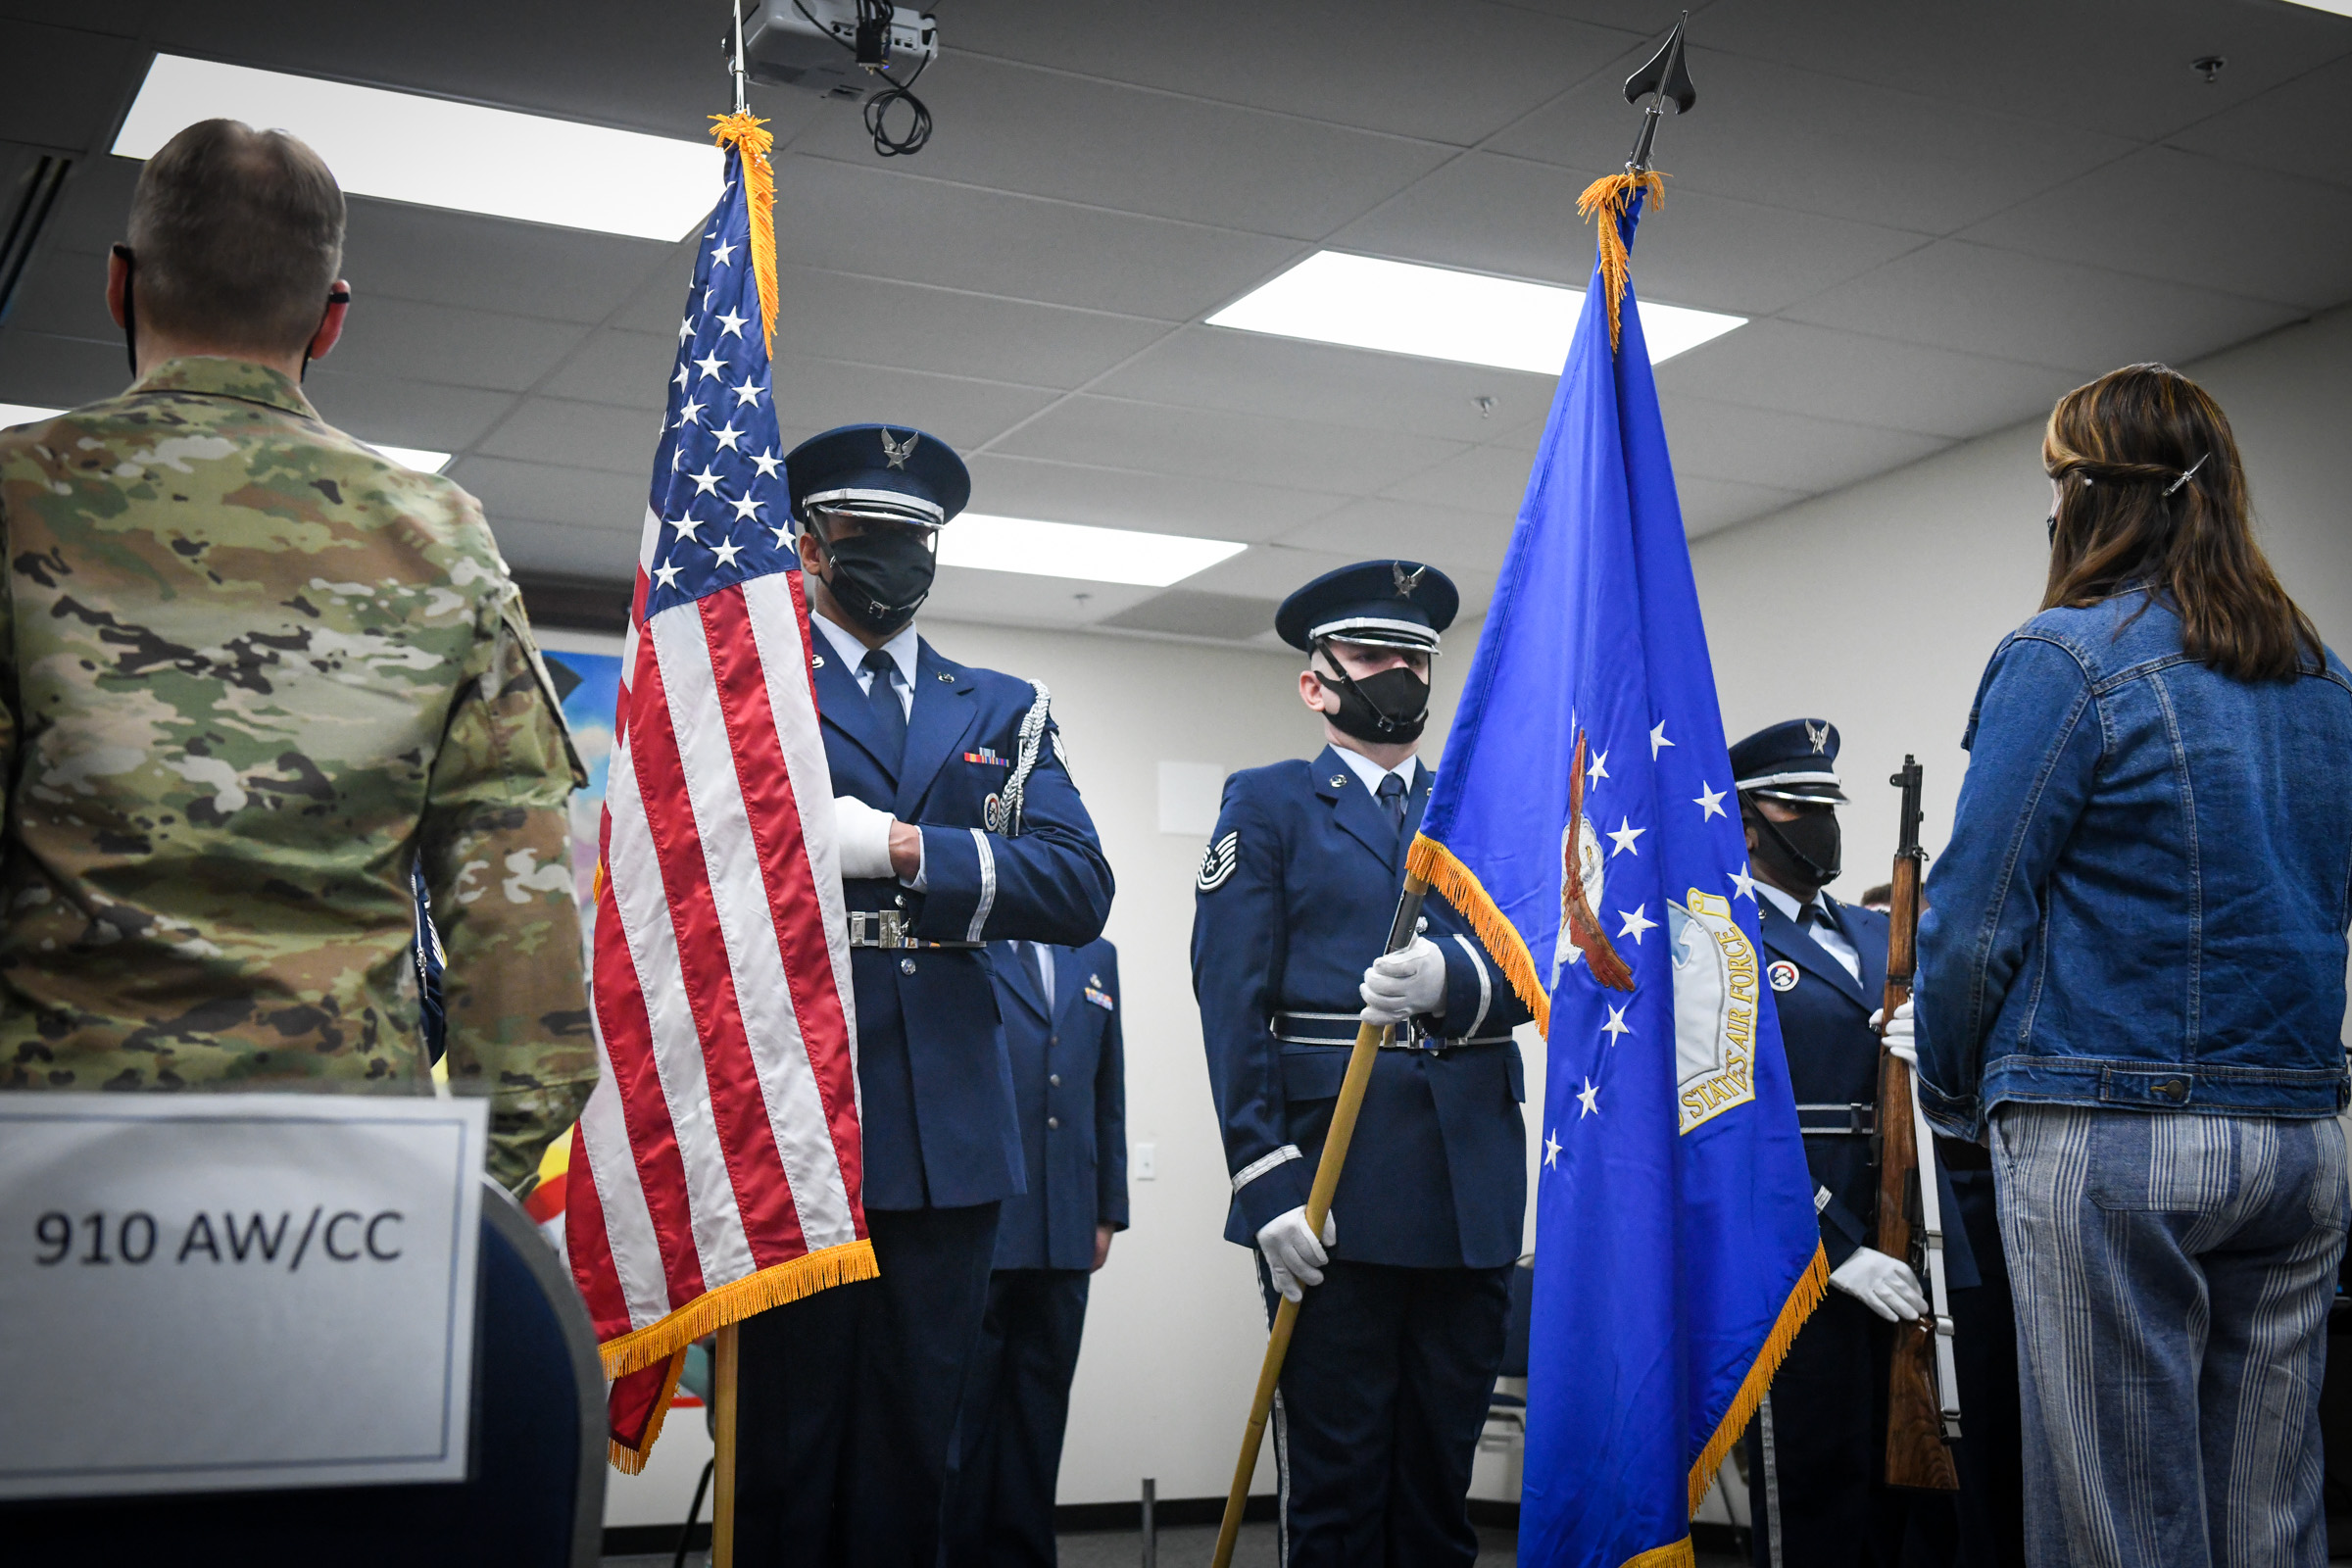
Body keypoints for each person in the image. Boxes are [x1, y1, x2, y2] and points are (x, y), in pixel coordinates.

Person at [0, 119, 589, 1191]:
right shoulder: (444, 539)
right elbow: (517, 912)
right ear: (331, 320)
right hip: (343, 1190)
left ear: (118, 287)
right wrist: (478, 1204)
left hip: (49, 1174)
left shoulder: (17, 496)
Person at [1905, 363, 2352, 1568]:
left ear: (2095, 495)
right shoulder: (2326, 680)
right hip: (2303, 1145)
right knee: (2271, 1522)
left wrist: (1953, 1105)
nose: (2047, 511)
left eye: (2055, 482)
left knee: (2119, 1527)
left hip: (2113, 1138)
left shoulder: (2062, 656)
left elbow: (1973, 920)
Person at [731, 423, 1114, 1568]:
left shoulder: (998, 706)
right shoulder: (748, 686)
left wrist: (903, 848)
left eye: (917, 536)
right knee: (787, 1453)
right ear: (808, 545)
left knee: (917, 1451)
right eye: (867, 532)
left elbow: (1079, 882)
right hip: (795, 1105)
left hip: (949, 1118)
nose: (895, 555)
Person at [1192, 560, 1530, 1567]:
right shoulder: (1269, 803)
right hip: (1328, 1191)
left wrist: (1451, 981)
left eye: (1418, 657)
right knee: (1335, 1500)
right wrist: (1267, 1186)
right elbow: (1230, 1005)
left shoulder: (1479, 809)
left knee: (1436, 1495)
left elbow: (1544, 972)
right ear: (1316, 680)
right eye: (1376, 654)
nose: (1401, 674)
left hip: (1467, 1192)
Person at [1727, 719, 1984, 1568]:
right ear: (1745, 820)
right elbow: (1722, 1121)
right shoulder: (1717, 941)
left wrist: (1934, 1047)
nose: (1820, 823)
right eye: (1797, 806)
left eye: (1825, 804)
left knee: (1920, 1510)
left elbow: (1945, 1082)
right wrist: (1830, 1249)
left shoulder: (1877, 935)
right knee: (1815, 1502)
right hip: (1801, 1253)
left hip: (1914, 1238)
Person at [944, 935, 1128, 1567]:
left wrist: (1107, 1210)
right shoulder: (965, 943)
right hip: (983, 1222)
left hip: (1066, 1226)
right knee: (965, 1420)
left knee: (1039, 1414)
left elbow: (1108, 1092)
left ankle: (1025, 1555)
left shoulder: (1095, 956)